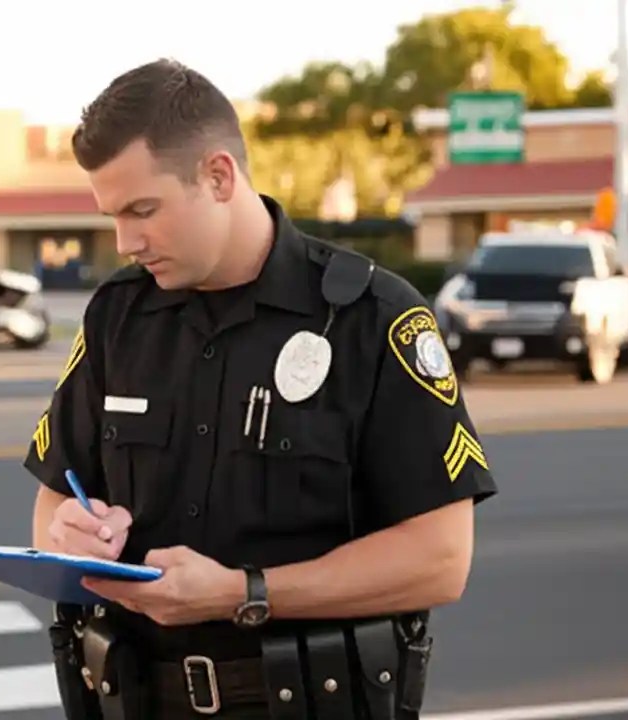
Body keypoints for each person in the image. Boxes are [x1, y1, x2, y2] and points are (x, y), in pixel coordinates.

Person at [24, 58, 498, 720]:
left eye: (142, 210)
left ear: (219, 176)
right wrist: (68, 537)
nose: (126, 241)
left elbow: (441, 559)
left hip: (305, 700)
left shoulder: (374, 319)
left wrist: (243, 592)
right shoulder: (117, 317)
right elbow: (53, 502)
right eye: (112, 216)